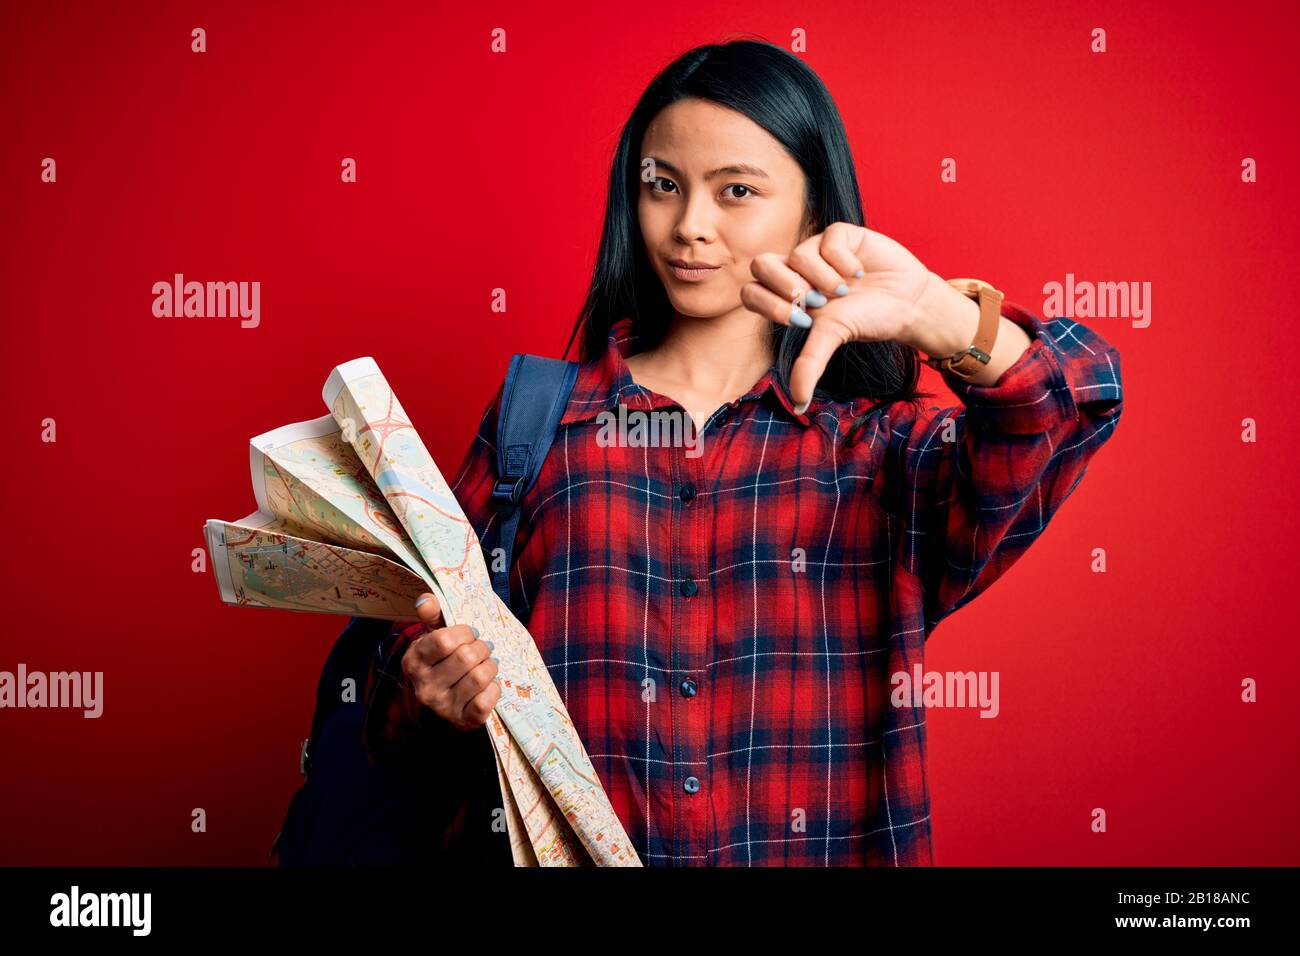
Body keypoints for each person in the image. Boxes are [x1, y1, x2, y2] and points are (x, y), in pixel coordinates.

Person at [362, 37, 1123, 866]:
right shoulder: (539, 421)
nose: (689, 226)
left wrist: (944, 317)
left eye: (736, 192)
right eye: (664, 187)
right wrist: (422, 683)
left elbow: (1069, 406)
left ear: (811, 210)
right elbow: (411, 656)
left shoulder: (882, 454)